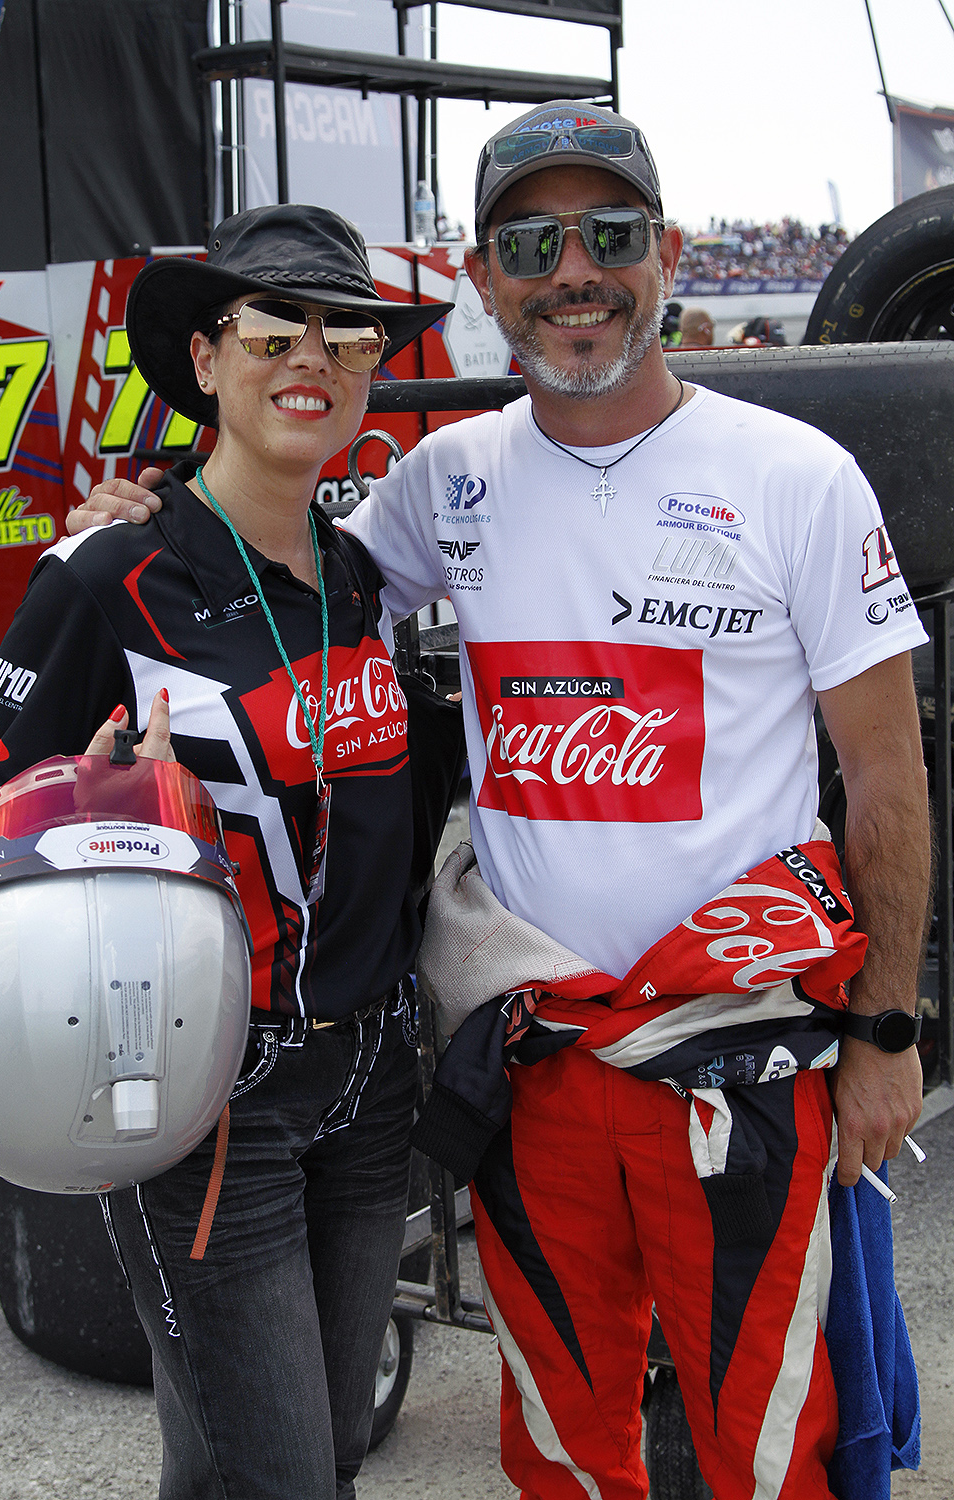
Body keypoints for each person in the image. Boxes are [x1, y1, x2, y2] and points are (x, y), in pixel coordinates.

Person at [70, 102, 930, 1500]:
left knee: (772, 1449)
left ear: (667, 257)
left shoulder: (798, 480)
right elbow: (267, 568)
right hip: (532, 1070)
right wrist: (137, 531)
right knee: (562, 1441)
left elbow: (889, 776)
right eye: (533, 239)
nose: (573, 268)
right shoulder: (443, 481)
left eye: (611, 233)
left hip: (741, 1064)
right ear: (485, 278)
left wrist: (889, 1033)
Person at [0, 203, 450, 1500]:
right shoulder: (106, 579)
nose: (315, 356)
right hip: (210, 1103)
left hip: (373, 1090)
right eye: (275, 326)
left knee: (308, 1449)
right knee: (284, 1474)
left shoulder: (359, 580)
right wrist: (95, 798)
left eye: (348, 334)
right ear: (207, 359)